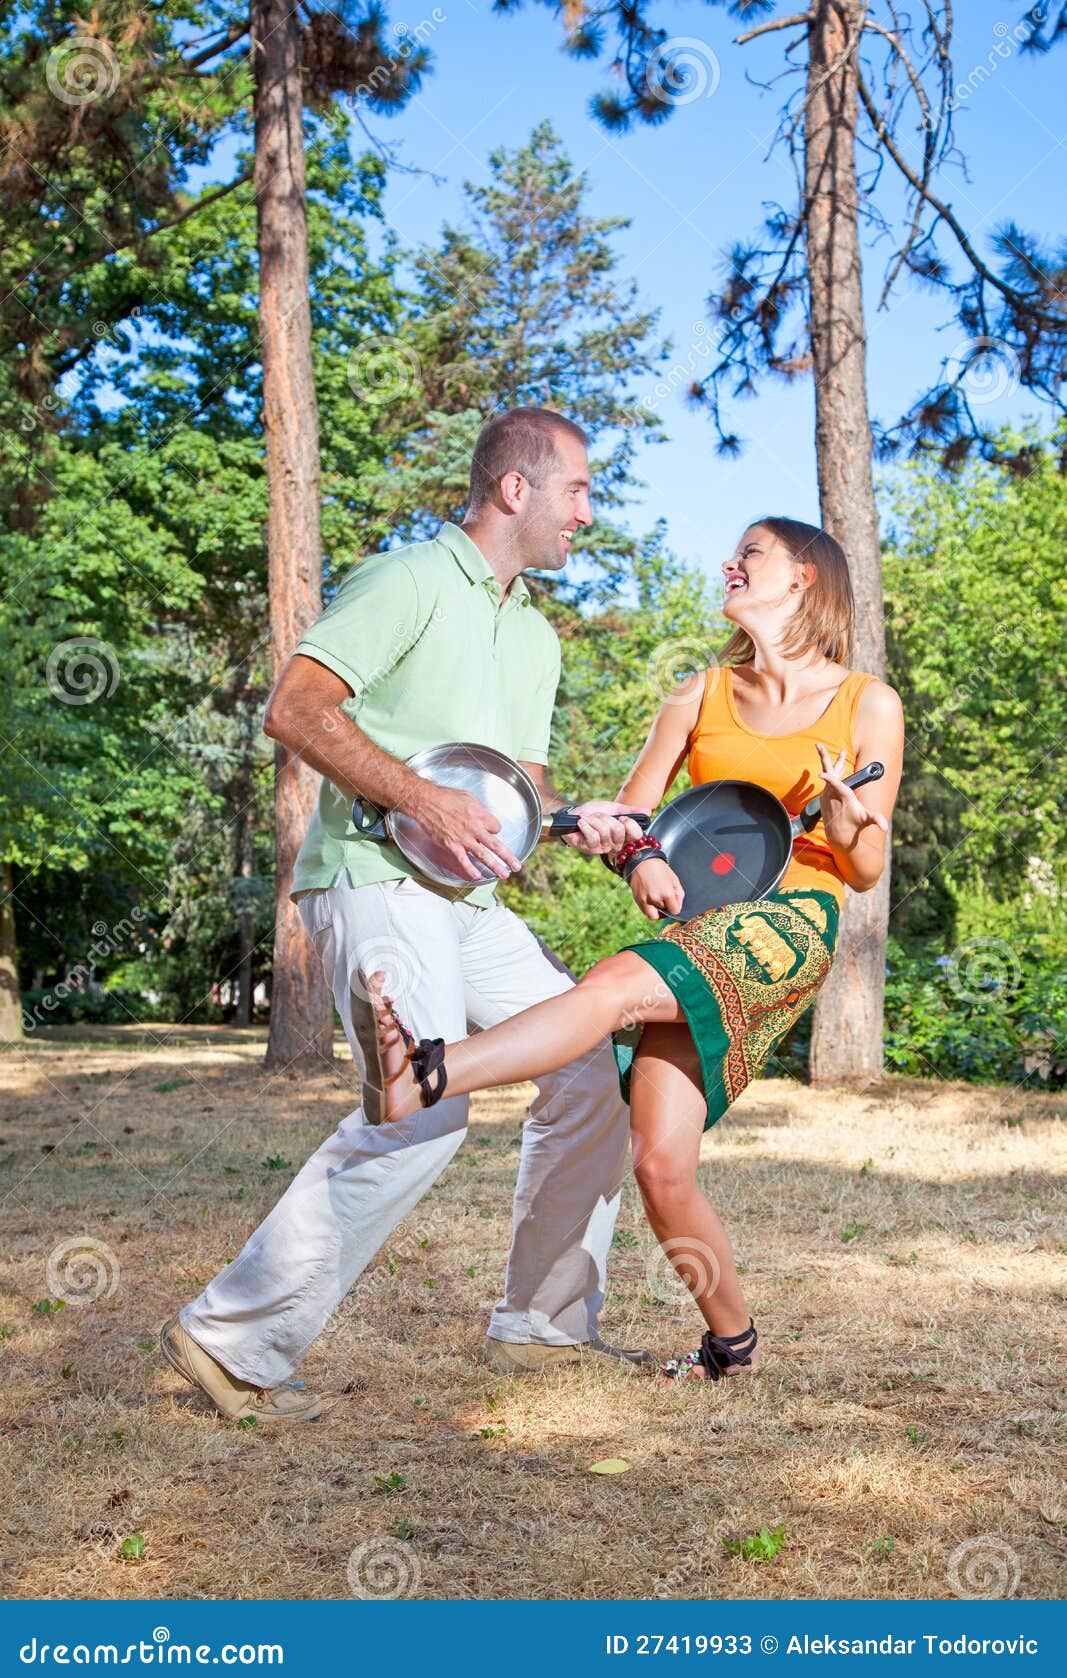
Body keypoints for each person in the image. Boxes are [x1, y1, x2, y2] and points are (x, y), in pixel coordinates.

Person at [160, 407, 653, 1422]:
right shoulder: (409, 579)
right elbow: (295, 706)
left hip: (465, 901)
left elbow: (516, 796)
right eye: (578, 491)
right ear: (516, 489)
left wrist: (573, 822)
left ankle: (541, 1321)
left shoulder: (529, 632)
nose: (586, 515)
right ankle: (230, 1339)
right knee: (422, 1107)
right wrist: (418, 797)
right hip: (376, 876)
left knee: (597, 1059)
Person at [369, 516, 905, 1383]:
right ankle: (730, 1347)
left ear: (804, 578)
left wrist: (846, 823)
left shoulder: (864, 703)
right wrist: (643, 857)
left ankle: (428, 1071)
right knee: (659, 1164)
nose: (728, 562)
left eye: (752, 552)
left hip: (790, 924)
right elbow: (632, 821)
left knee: (614, 983)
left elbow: (867, 866)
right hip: (702, 932)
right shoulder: (694, 696)